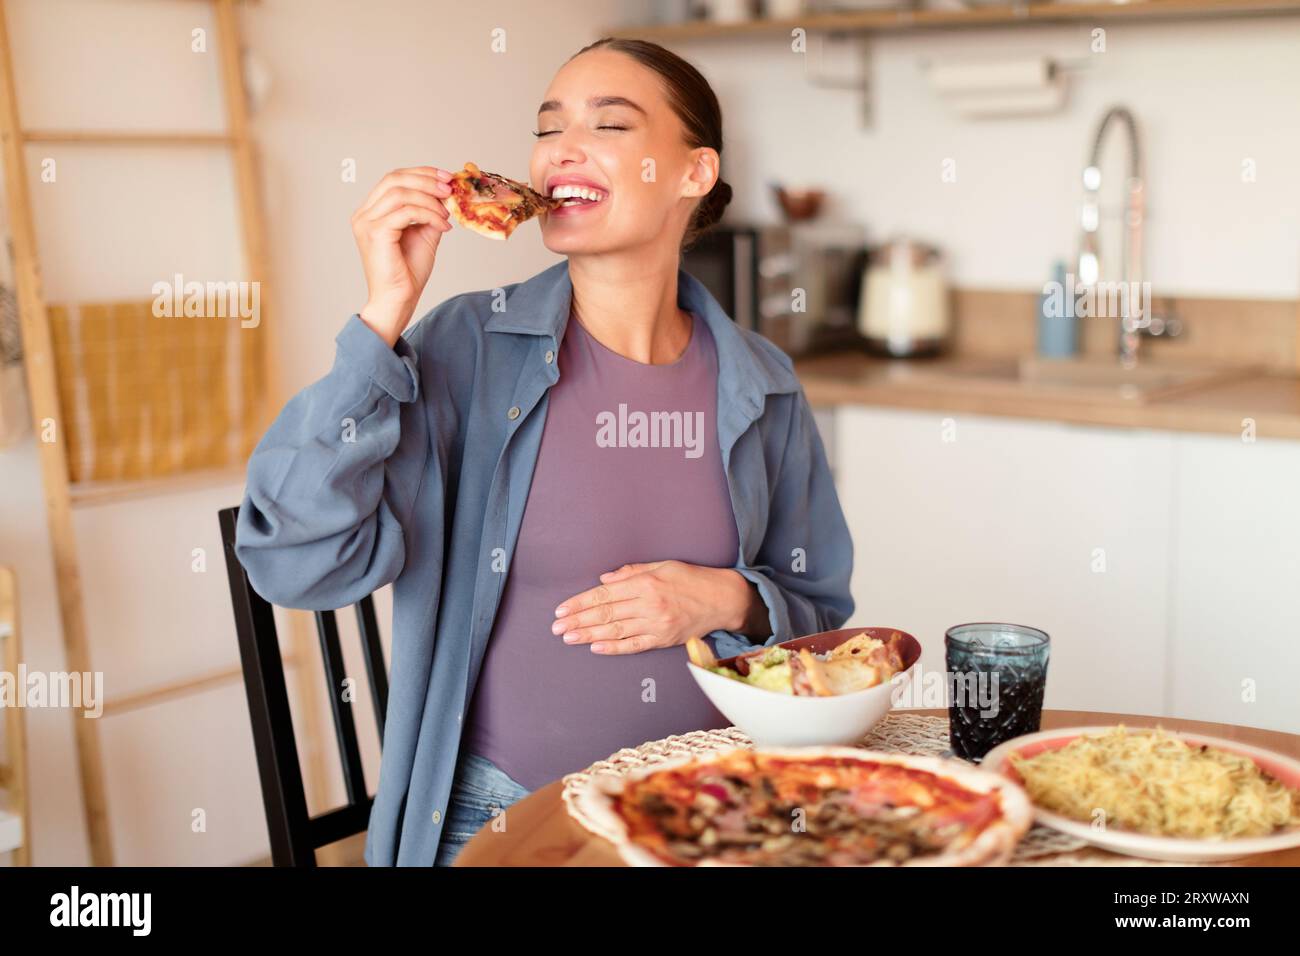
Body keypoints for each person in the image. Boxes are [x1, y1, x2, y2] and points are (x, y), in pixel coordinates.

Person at [234, 37, 853, 867]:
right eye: (547, 125)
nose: (560, 149)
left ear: (693, 174)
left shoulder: (763, 381)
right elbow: (293, 562)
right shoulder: (467, 346)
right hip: (505, 818)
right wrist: (382, 316)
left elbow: (821, 611)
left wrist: (731, 599)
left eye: (609, 124)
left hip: (718, 810)